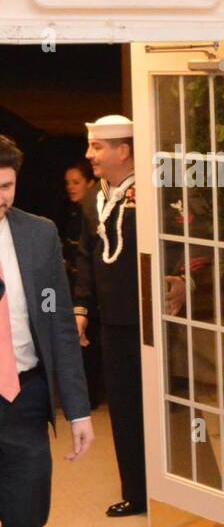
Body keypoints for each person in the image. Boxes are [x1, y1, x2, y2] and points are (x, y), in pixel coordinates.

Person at [0, 136, 93, 527]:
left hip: (25, 395)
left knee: (25, 511)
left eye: (7, 187)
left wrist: (78, 410)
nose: (0, 197)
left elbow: (59, 327)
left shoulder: (38, 236)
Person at [74, 115, 147, 518]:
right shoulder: (92, 198)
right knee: (122, 407)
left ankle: (188, 495)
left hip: (154, 319)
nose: (89, 155)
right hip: (113, 321)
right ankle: (136, 491)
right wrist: (81, 308)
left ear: (123, 150)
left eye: (97, 147)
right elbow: (86, 256)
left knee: (167, 405)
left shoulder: (153, 191)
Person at [61, 158, 102, 408]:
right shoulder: (71, 213)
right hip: (72, 286)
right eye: (67, 183)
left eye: (76, 182)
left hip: (92, 290)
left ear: (91, 183)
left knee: (90, 341)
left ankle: (93, 396)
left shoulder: (95, 214)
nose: (70, 187)